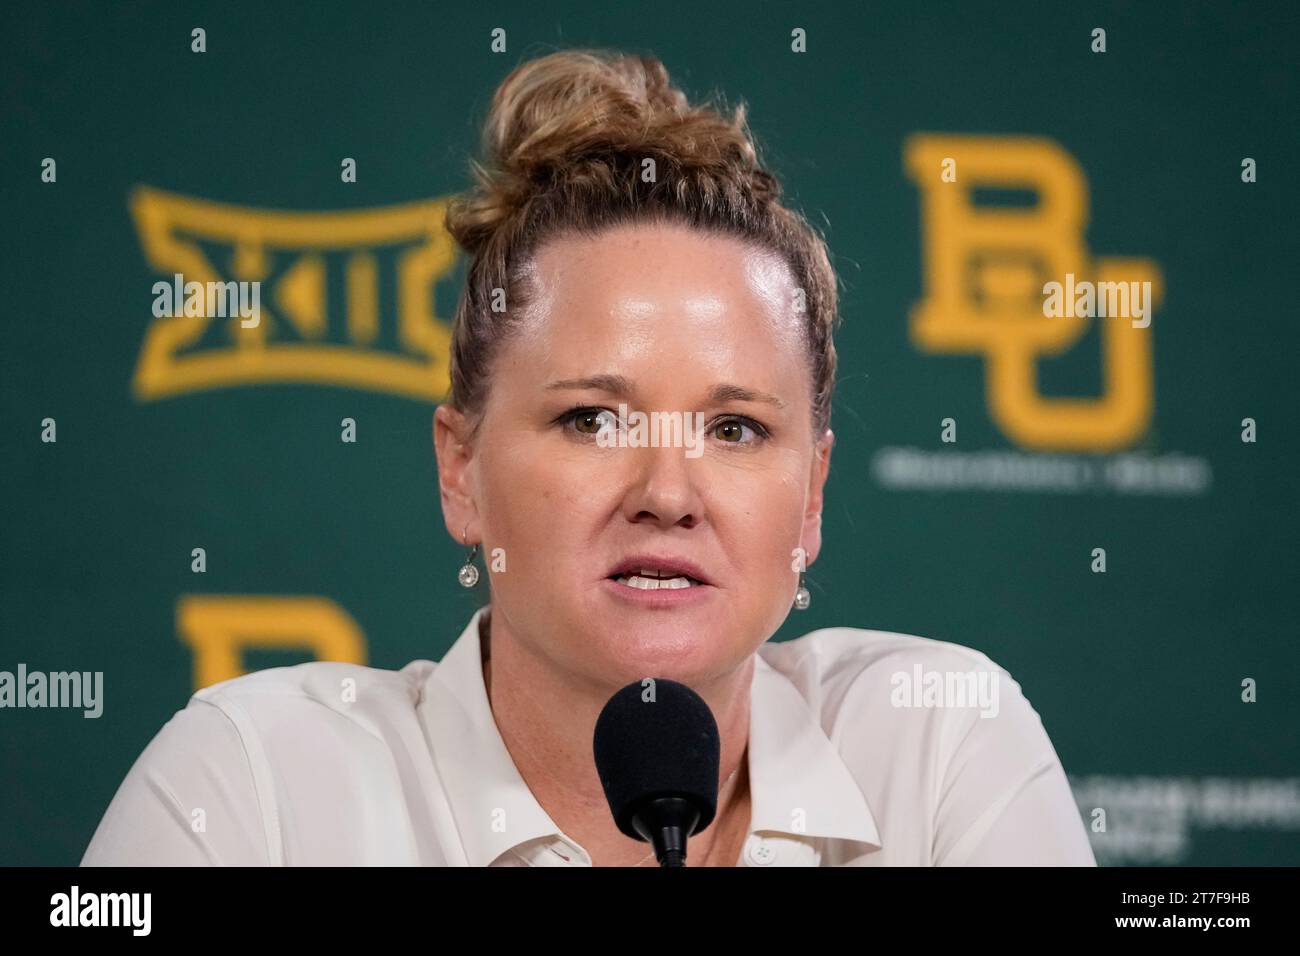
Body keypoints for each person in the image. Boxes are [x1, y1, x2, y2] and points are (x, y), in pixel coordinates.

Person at [82, 48, 1095, 867]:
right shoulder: (257, 782)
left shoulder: (938, 741)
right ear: (459, 466)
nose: (667, 493)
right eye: (591, 421)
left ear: (813, 498)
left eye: (734, 428)